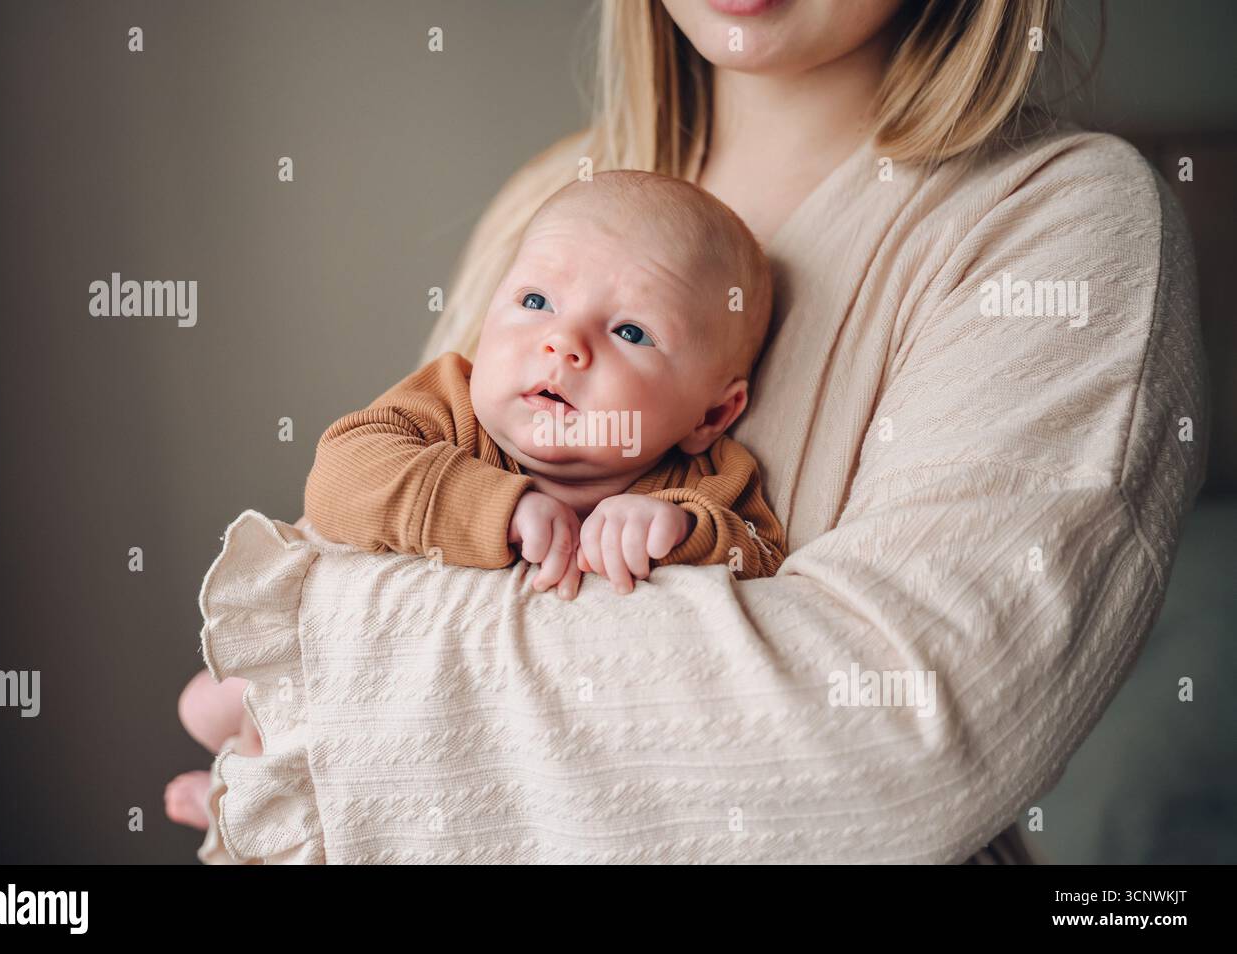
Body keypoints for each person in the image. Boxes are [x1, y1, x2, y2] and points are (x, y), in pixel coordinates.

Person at [172, 0, 1207, 863]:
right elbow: (371, 501)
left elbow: (886, 743)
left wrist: (320, 709)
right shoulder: (550, 196)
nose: (563, 347)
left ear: (720, 410)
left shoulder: (1058, 226)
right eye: (534, 307)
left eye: (631, 331)